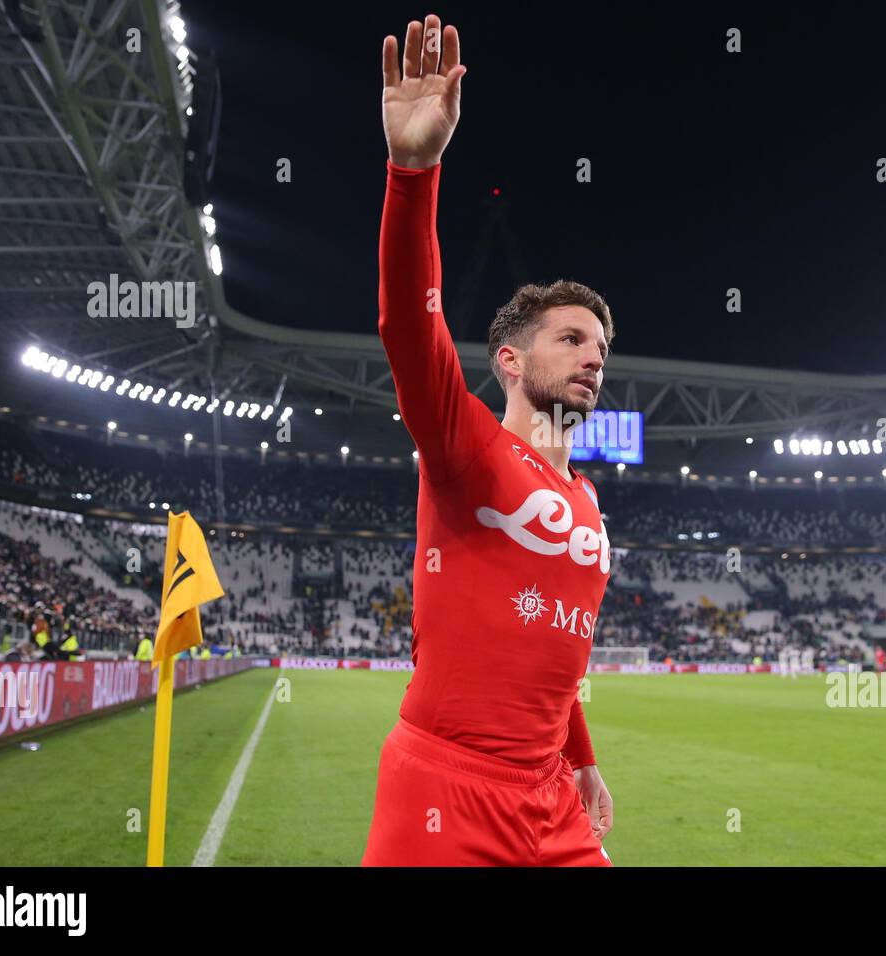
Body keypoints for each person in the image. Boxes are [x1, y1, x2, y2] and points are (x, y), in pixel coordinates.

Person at [363, 15, 613, 868]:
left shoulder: (585, 502)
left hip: (551, 800)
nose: (593, 358)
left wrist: (581, 760)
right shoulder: (463, 445)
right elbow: (407, 327)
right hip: (446, 790)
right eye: (572, 339)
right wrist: (414, 171)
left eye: (602, 348)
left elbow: (554, 649)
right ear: (509, 360)